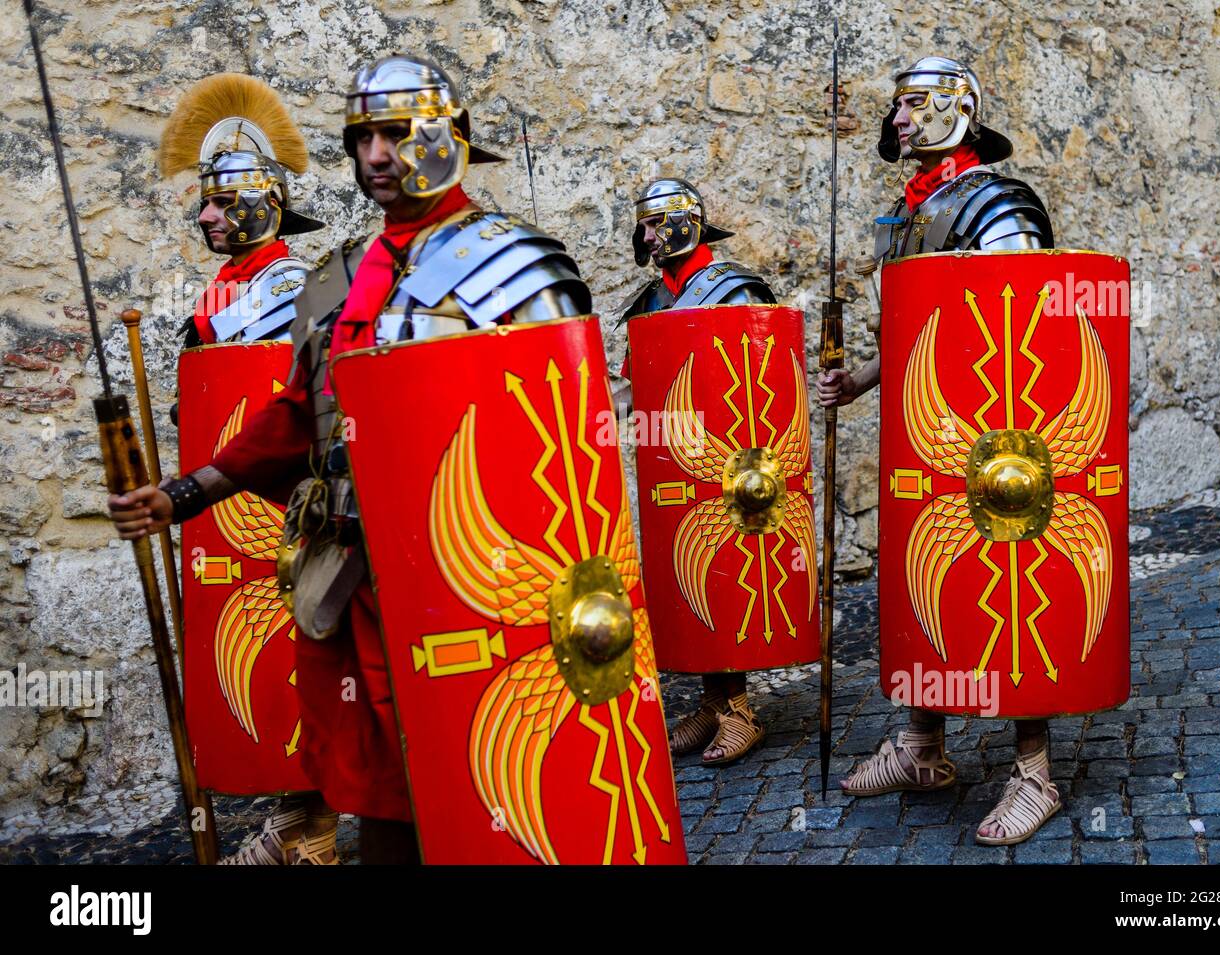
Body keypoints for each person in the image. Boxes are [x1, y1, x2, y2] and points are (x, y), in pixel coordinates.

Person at [108, 54, 590, 863]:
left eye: (395, 133)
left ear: (449, 136)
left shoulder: (522, 270)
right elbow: (296, 416)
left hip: (475, 583)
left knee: (497, 782)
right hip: (357, 574)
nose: (373, 155)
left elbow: (560, 454)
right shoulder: (337, 285)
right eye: (360, 135)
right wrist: (184, 493)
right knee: (383, 787)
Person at [817, 56, 1062, 845]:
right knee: (925, 574)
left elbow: (1026, 328)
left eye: (912, 105)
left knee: (1007, 585)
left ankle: (1035, 771)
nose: (897, 120)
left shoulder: (998, 203)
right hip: (923, 432)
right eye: (896, 107)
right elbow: (910, 334)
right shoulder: (910, 214)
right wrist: (858, 380)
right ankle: (923, 744)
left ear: (958, 107)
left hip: (993, 438)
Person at [158, 72, 337, 865]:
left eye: (226, 202)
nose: (208, 215)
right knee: (262, 657)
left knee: (296, 648)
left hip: (282, 497)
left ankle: (315, 828)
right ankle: (293, 822)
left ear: (267, 201)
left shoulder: (287, 288)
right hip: (231, 501)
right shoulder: (220, 292)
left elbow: (285, 401)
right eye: (207, 200)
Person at [617, 178, 777, 766]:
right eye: (643, 225)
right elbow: (638, 387)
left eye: (657, 223)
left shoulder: (733, 290)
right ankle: (711, 702)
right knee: (689, 582)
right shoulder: (652, 300)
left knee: (726, 577)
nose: (648, 235)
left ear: (687, 222)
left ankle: (739, 710)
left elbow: (760, 375)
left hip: (731, 462)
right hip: (673, 464)